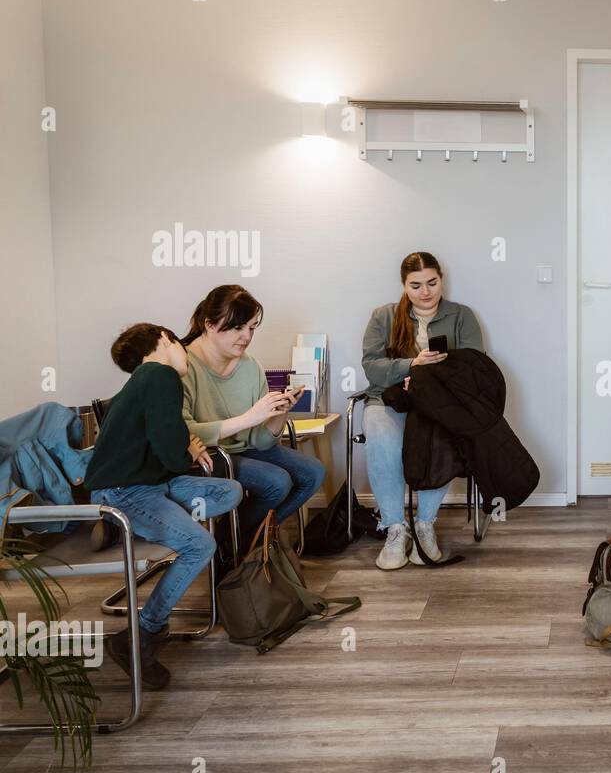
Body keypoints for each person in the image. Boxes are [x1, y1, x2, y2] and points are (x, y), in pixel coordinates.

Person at [86, 324, 244, 689]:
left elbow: (164, 449)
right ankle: (140, 634)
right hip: (126, 491)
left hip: (150, 484)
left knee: (229, 491)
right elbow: (173, 454)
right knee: (200, 545)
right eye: (179, 343)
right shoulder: (160, 375)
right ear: (163, 339)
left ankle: (134, 525)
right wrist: (187, 445)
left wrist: (183, 443)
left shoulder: (143, 381)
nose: (185, 351)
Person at [360, 252, 484, 570]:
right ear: (404, 285)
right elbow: (372, 368)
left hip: (439, 404)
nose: (425, 292)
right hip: (388, 401)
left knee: (441, 435)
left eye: (432, 283)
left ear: (442, 279)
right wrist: (410, 366)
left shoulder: (461, 315)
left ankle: (425, 524)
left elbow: (475, 367)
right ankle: (395, 528)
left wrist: (431, 378)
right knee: (381, 438)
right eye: (415, 285)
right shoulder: (383, 316)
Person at [180, 285, 326, 541]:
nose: (246, 336)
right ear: (209, 325)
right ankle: (232, 544)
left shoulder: (251, 366)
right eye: (238, 328)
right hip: (208, 455)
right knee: (277, 482)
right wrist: (248, 419)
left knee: (313, 472)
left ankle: (249, 542)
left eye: (252, 328)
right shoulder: (184, 366)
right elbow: (182, 430)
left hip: (243, 450)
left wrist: (280, 413)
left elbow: (259, 440)